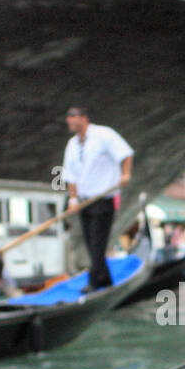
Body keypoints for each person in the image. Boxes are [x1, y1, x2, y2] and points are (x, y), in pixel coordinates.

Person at [62, 107, 133, 291]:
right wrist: (73, 200)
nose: (69, 121)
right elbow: (71, 176)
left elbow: (126, 153)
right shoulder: (72, 144)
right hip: (85, 201)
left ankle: (95, 281)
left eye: (73, 117)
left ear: (84, 118)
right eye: (68, 118)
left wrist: (125, 174)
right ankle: (105, 280)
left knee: (97, 242)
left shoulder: (104, 135)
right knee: (89, 241)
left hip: (103, 199)